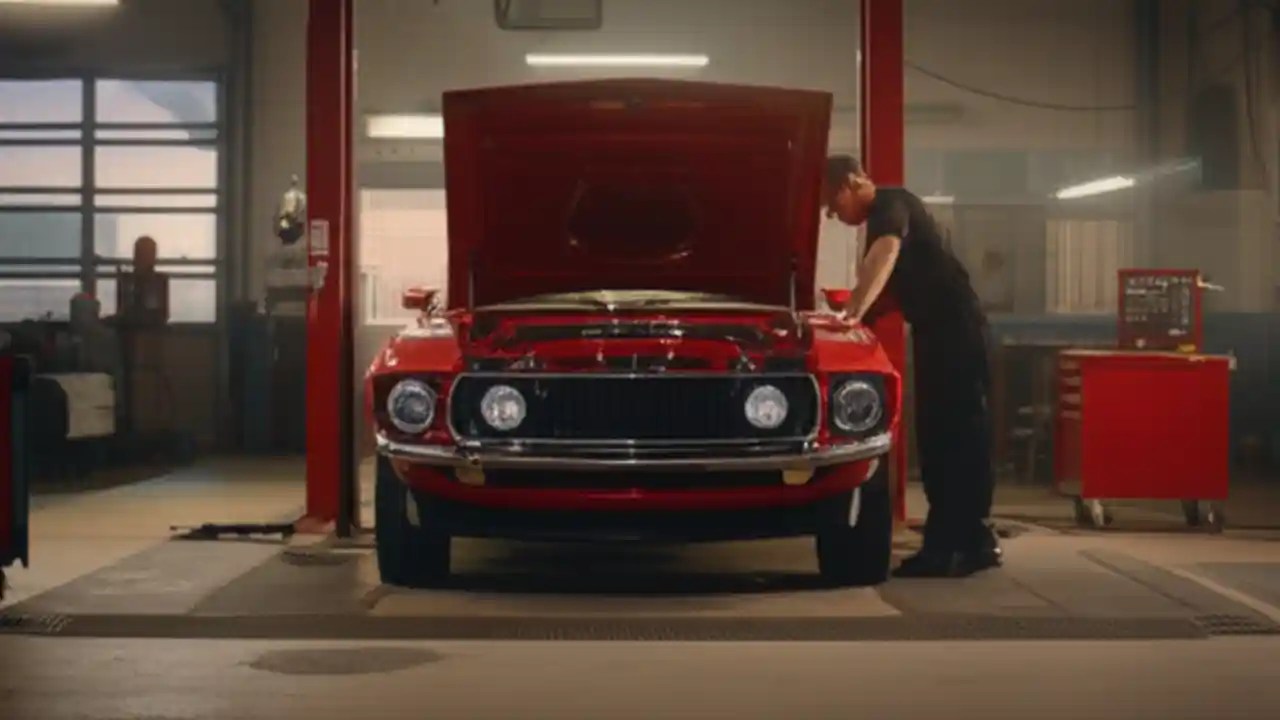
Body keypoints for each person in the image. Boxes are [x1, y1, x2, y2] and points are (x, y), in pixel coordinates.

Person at [823, 154, 1002, 578]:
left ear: (852, 183)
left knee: (957, 436)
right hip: (937, 333)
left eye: (832, 202)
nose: (832, 214)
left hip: (957, 332)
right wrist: (852, 318)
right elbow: (889, 290)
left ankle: (959, 545)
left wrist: (852, 311)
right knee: (940, 436)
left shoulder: (891, 204)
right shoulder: (884, 219)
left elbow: (884, 255)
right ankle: (963, 541)